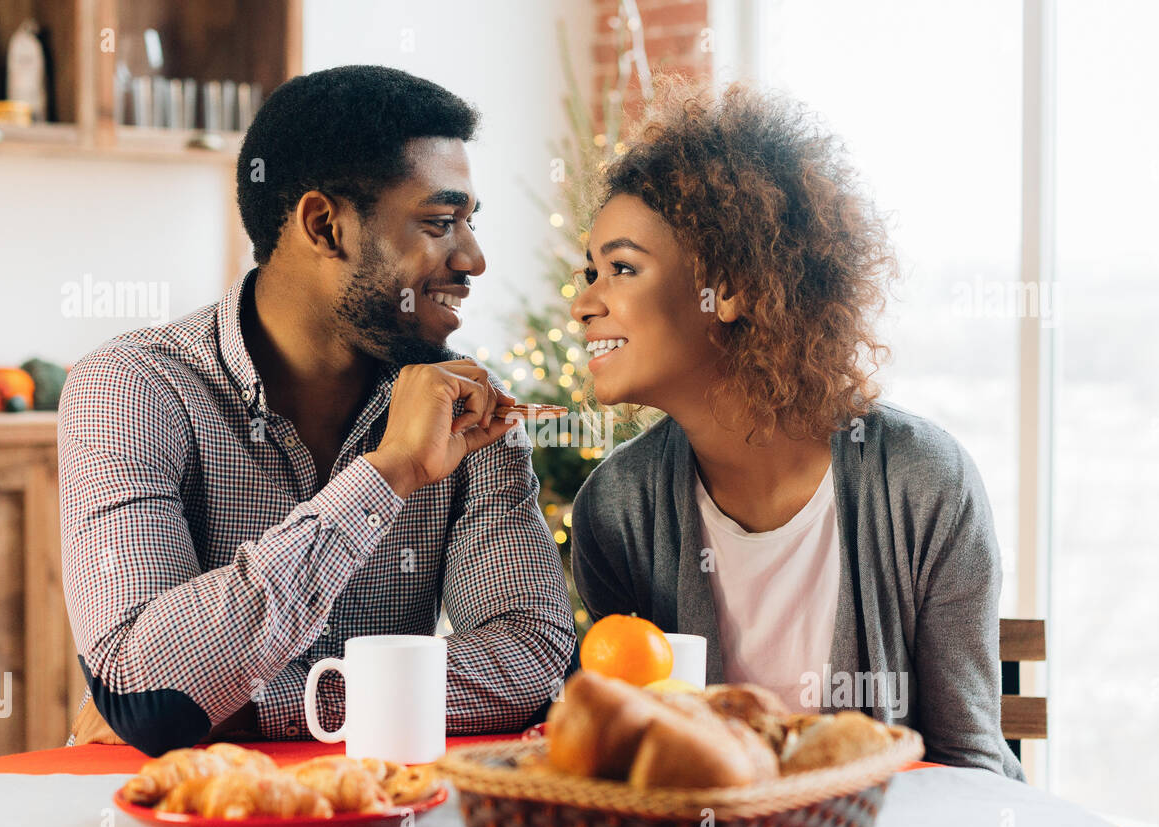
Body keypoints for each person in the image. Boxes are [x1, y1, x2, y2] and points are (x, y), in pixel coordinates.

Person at [61, 66, 575, 756]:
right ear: (324, 225)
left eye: (470, 223)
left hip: (385, 825)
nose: (474, 258)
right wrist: (387, 474)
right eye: (439, 222)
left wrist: (252, 703)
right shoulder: (133, 388)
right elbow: (146, 682)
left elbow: (534, 663)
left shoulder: (465, 404)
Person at [569, 79, 1023, 779]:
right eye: (589, 271)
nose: (584, 303)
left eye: (622, 268)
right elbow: (632, 772)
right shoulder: (617, 509)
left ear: (733, 288)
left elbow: (968, 763)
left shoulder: (921, 482)